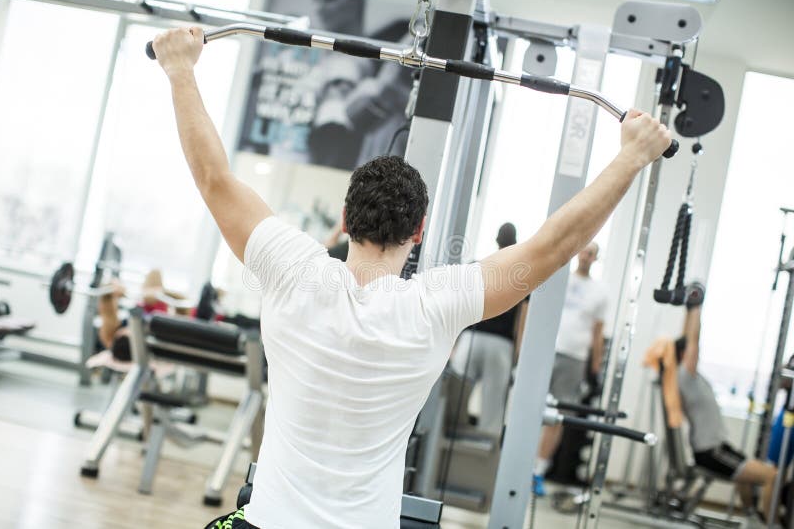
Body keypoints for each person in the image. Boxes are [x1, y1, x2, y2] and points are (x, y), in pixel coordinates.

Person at [150, 27, 671, 529]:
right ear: (420, 230)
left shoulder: (292, 270)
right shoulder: (436, 304)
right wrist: (632, 156)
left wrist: (180, 70)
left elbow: (214, 179)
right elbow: (554, 246)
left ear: (346, 220)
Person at [676, 287, 778, 521]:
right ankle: (770, 525)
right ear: (683, 356)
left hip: (719, 447)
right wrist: (695, 309)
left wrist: (692, 308)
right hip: (711, 452)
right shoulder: (685, 377)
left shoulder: (692, 377)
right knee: (771, 475)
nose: (696, 352)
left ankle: (751, 518)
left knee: (751, 472)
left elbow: (690, 341)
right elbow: (691, 341)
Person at [533, 242, 607, 496]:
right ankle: (518, 464)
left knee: (557, 417)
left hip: (575, 358)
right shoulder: (558, 278)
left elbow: (598, 334)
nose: (587, 256)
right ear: (578, 253)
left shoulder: (599, 293)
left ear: (595, 259)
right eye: (585, 251)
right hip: (546, 350)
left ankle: (538, 471)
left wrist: (595, 366)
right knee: (530, 410)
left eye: (592, 254)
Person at [449, 223, 529, 435]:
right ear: (514, 243)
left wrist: (453, 344)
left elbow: (461, 307)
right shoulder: (520, 274)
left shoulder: (478, 266)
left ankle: (447, 433)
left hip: (471, 338)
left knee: (454, 394)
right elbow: (522, 319)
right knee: (493, 405)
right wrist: (516, 354)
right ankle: (487, 449)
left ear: (496, 240)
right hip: (501, 345)